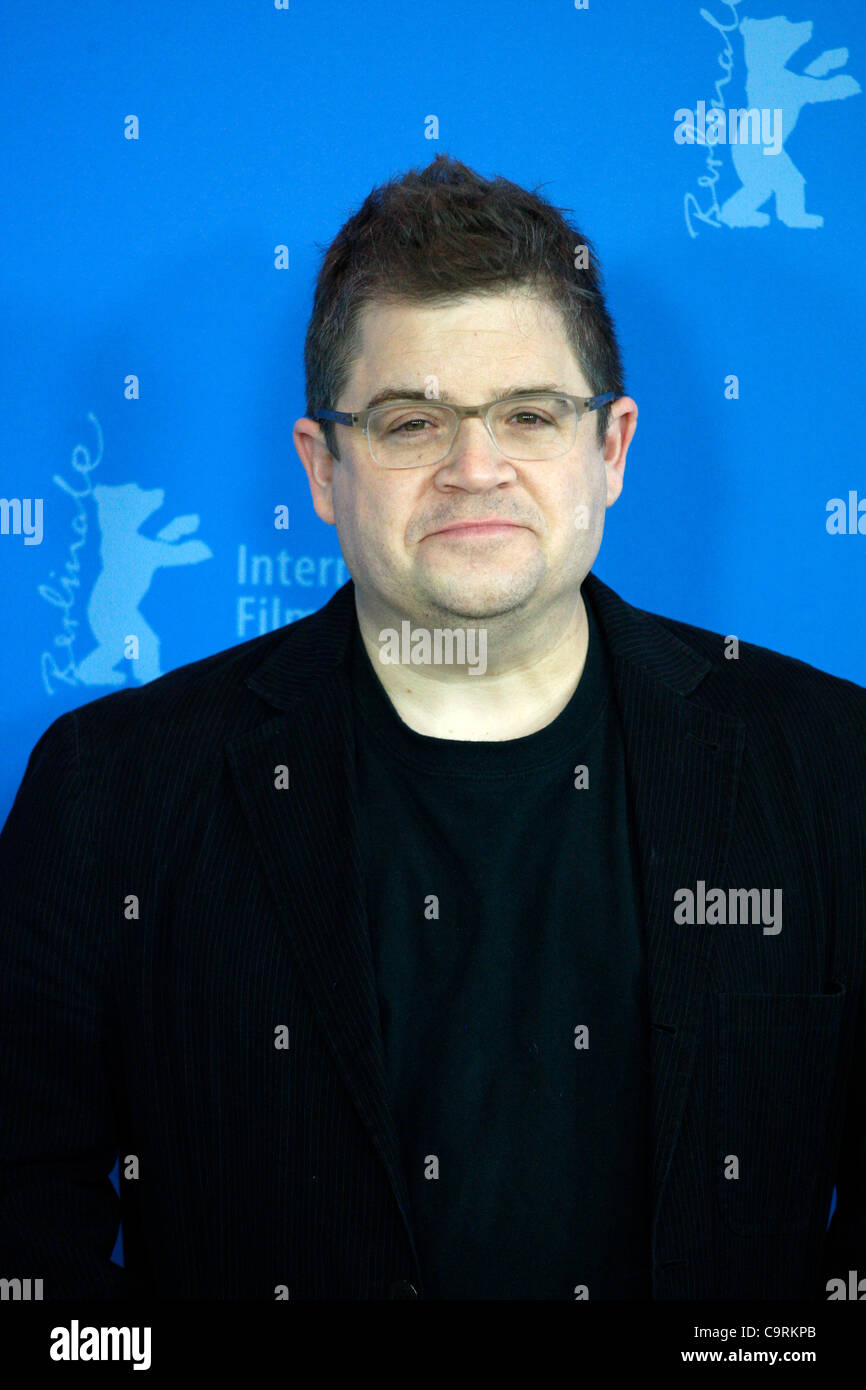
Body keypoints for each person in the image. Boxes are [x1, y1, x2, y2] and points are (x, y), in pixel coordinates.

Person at [0, 154, 863, 1301]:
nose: (474, 468)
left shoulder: (827, 766)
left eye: (528, 414)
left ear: (609, 449)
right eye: (411, 421)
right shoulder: (112, 788)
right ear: (322, 467)